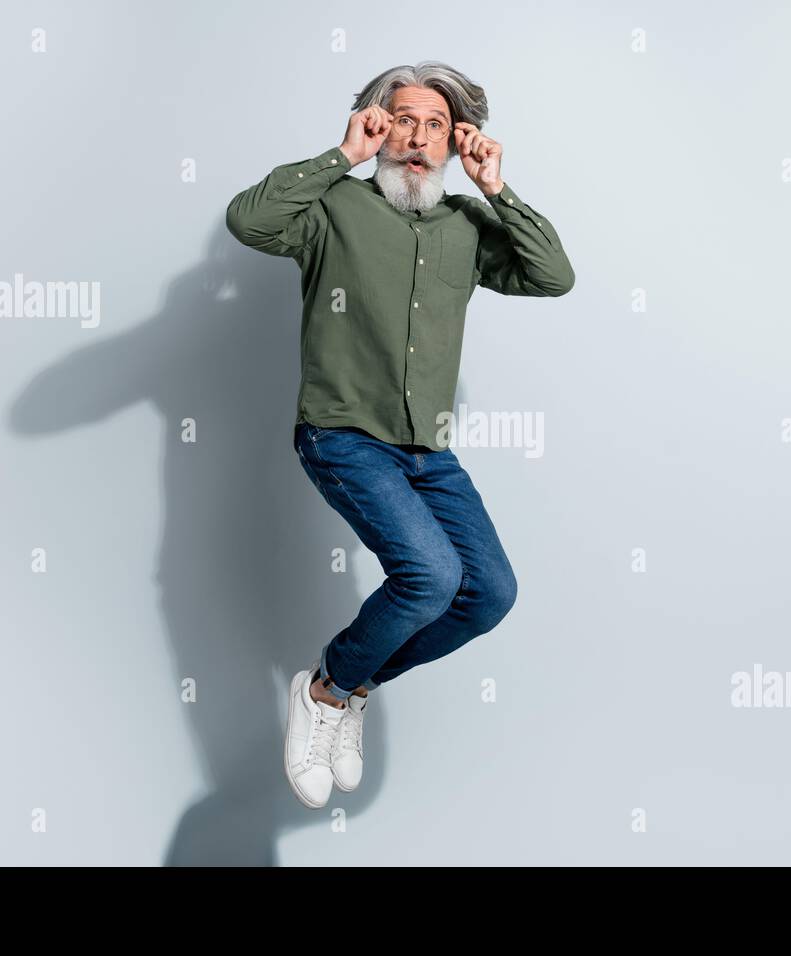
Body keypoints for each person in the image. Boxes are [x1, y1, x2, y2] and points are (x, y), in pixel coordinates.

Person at [225, 61, 575, 809]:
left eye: (437, 127)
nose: (419, 138)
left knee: (489, 594)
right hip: (344, 436)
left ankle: (350, 685)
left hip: (430, 449)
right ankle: (322, 691)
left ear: (457, 142)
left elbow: (553, 276)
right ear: (378, 125)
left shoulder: (469, 227)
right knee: (430, 576)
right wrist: (338, 157)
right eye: (404, 120)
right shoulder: (332, 209)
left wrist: (496, 188)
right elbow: (247, 220)